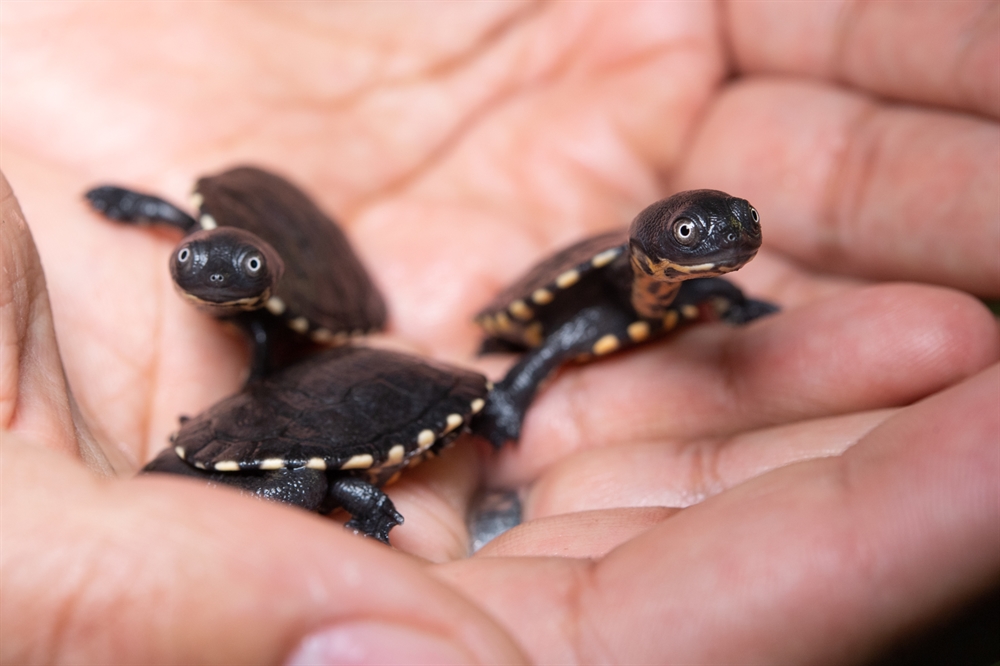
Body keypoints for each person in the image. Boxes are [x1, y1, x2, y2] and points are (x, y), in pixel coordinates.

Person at [2, 3, 997, 663]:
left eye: (733, 236)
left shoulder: (683, 289)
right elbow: (551, 336)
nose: (722, 243)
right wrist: (499, 391)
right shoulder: (594, 292)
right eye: (701, 238)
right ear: (655, 240)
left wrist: (723, 302)